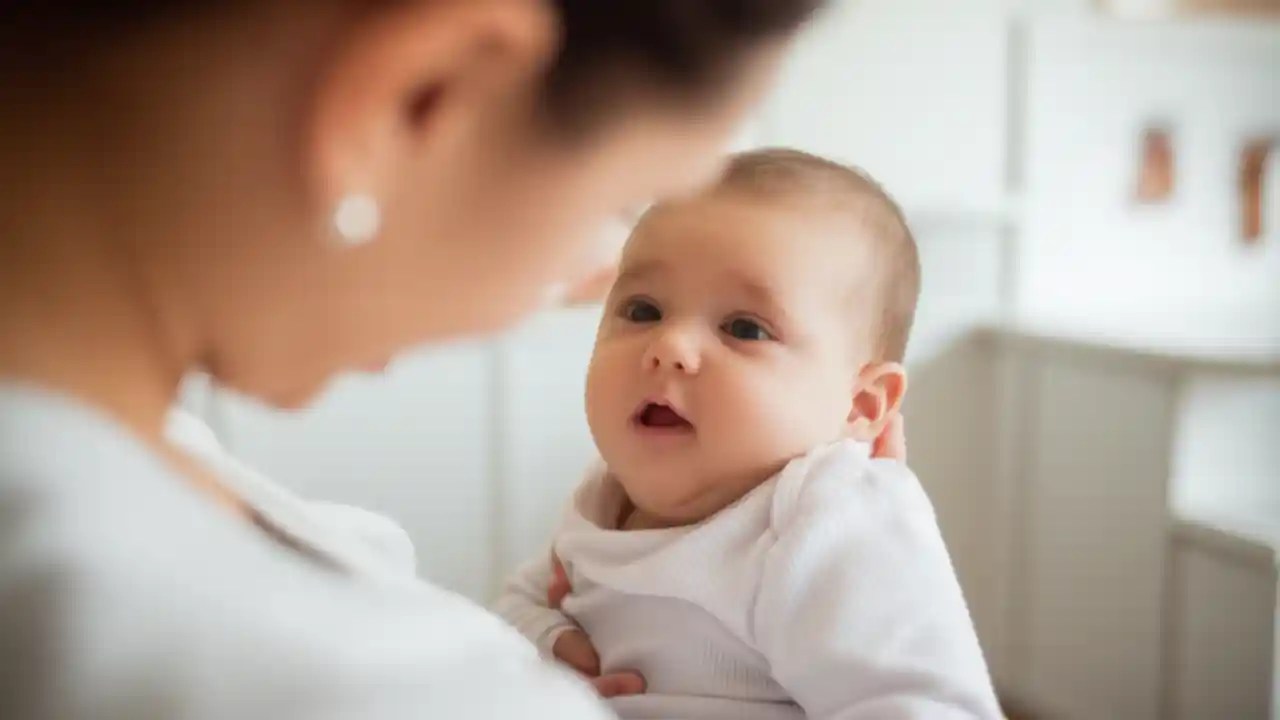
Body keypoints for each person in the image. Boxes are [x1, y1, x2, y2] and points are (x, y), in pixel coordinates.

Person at [0, 2, 919, 718]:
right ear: (420, 94)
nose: (581, 280)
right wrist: (541, 639)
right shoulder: (318, 681)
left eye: (746, 328)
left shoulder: (122, 477)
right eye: (622, 206)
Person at [495, 149, 1000, 719]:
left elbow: (923, 706)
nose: (670, 346)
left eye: (744, 328)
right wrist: (548, 643)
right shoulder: (605, 496)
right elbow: (517, 604)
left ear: (859, 404)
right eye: (641, 311)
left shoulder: (821, 515)